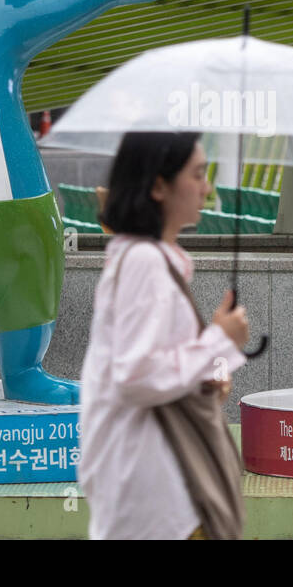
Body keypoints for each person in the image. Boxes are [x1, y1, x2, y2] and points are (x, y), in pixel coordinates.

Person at [78, 131, 249, 540]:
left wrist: (213, 362)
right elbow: (137, 376)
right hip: (154, 492)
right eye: (196, 174)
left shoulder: (146, 260)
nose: (206, 187)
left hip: (158, 486)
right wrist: (218, 341)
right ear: (158, 185)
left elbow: (159, 366)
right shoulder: (144, 263)